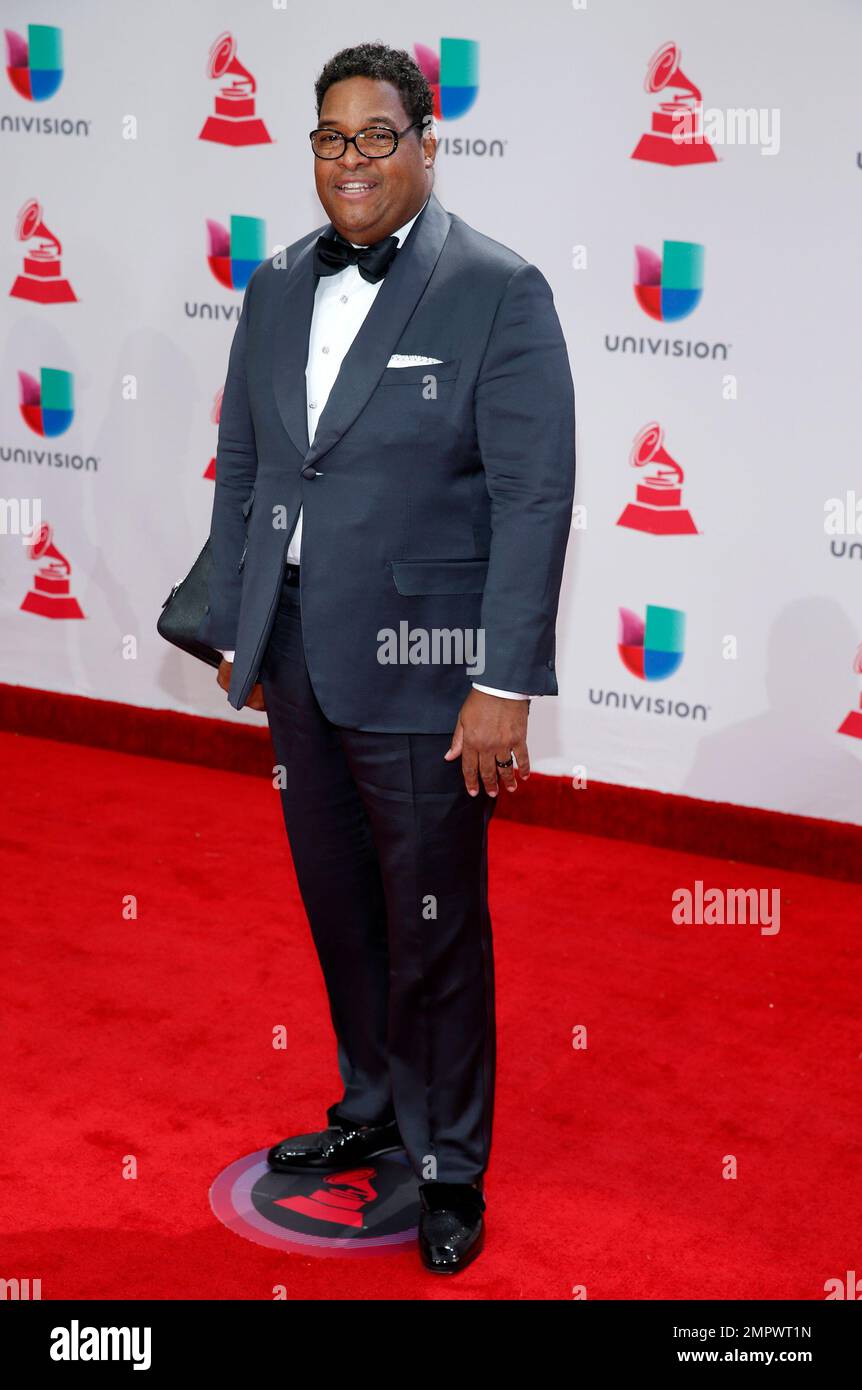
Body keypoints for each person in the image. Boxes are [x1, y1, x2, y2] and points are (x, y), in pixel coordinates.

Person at [198, 41, 575, 1273]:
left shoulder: (497, 290)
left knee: (436, 922)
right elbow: (252, 465)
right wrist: (234, 616)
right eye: (328, 137)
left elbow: (533, 498)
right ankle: (371, 1107)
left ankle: (449, 1160)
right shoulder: (274, 283)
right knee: (341, 902)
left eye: (374, 136)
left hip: (428, 664)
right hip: (298, 652)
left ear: (425, 144)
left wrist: (502, 680)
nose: (348, 160)